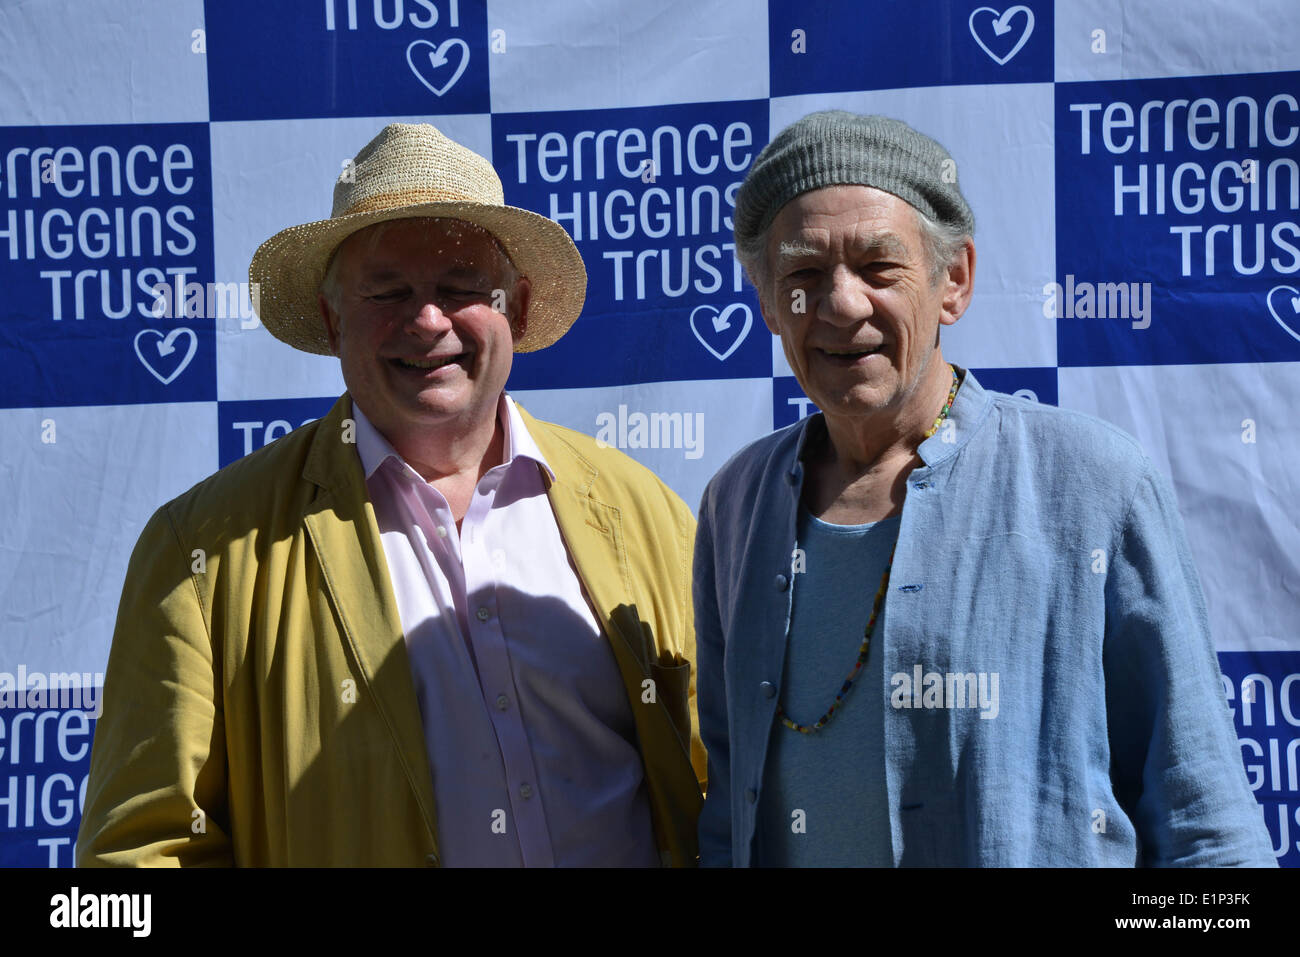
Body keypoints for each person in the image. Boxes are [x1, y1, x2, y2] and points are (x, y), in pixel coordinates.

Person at [77, 123, 705, 867]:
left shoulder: (643, 511)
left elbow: (719, 785)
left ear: (520, 306)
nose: (428, 320)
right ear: (332, 318)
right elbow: (138, 856)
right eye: (388, 291)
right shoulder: (204, 548)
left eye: (461, 286)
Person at [693, 110, 1275, 867]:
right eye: (803, 273)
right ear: (769, 303)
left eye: (879, 267)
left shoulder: (1092, 483)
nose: (841, 304)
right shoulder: (736, 504)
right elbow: (727, 804)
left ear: (954, 281)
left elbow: (1209, 833)